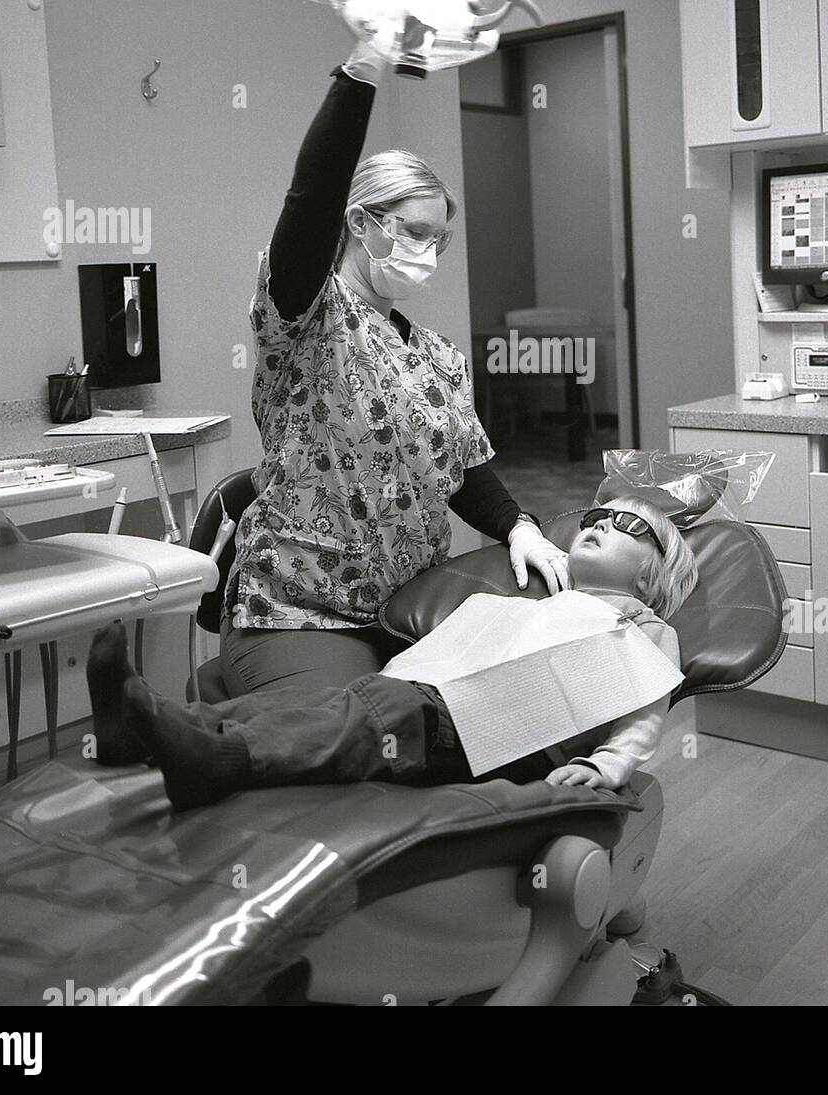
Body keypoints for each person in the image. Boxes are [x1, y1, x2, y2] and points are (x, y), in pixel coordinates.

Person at [221, 39, 568, 697]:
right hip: (301, 611)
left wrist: (518, 524)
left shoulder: (436, 357)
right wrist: (364, 66)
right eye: (412, 231)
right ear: (359, 220)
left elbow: (460, 470)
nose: (428, 252)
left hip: (410, 608)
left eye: (437, 239)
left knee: (496, 715)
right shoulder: (307, 316)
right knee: (353, 739)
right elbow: (310, 195)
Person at [89, 500, 698, 810]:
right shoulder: (546, 603)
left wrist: (607, 768)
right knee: (336, 709)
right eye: (595, 515)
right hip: (433, 706)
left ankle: (217, 756)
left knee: (361, 715)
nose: (600, 523)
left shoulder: (639, 628)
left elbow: (645, 714)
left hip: (488, 742)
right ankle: (149, 736)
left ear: (652, 579)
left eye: (627, 525)